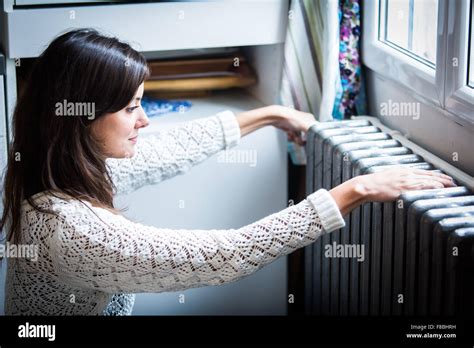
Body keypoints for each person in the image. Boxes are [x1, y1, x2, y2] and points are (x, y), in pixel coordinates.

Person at [0, 29, 455, 315]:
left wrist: (272, 113)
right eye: (133, 107)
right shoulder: (70, 229)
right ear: (82, 116)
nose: (145, 121)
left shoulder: (59, 169)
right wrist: (356, 189)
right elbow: (227, 255)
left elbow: (171, 148)